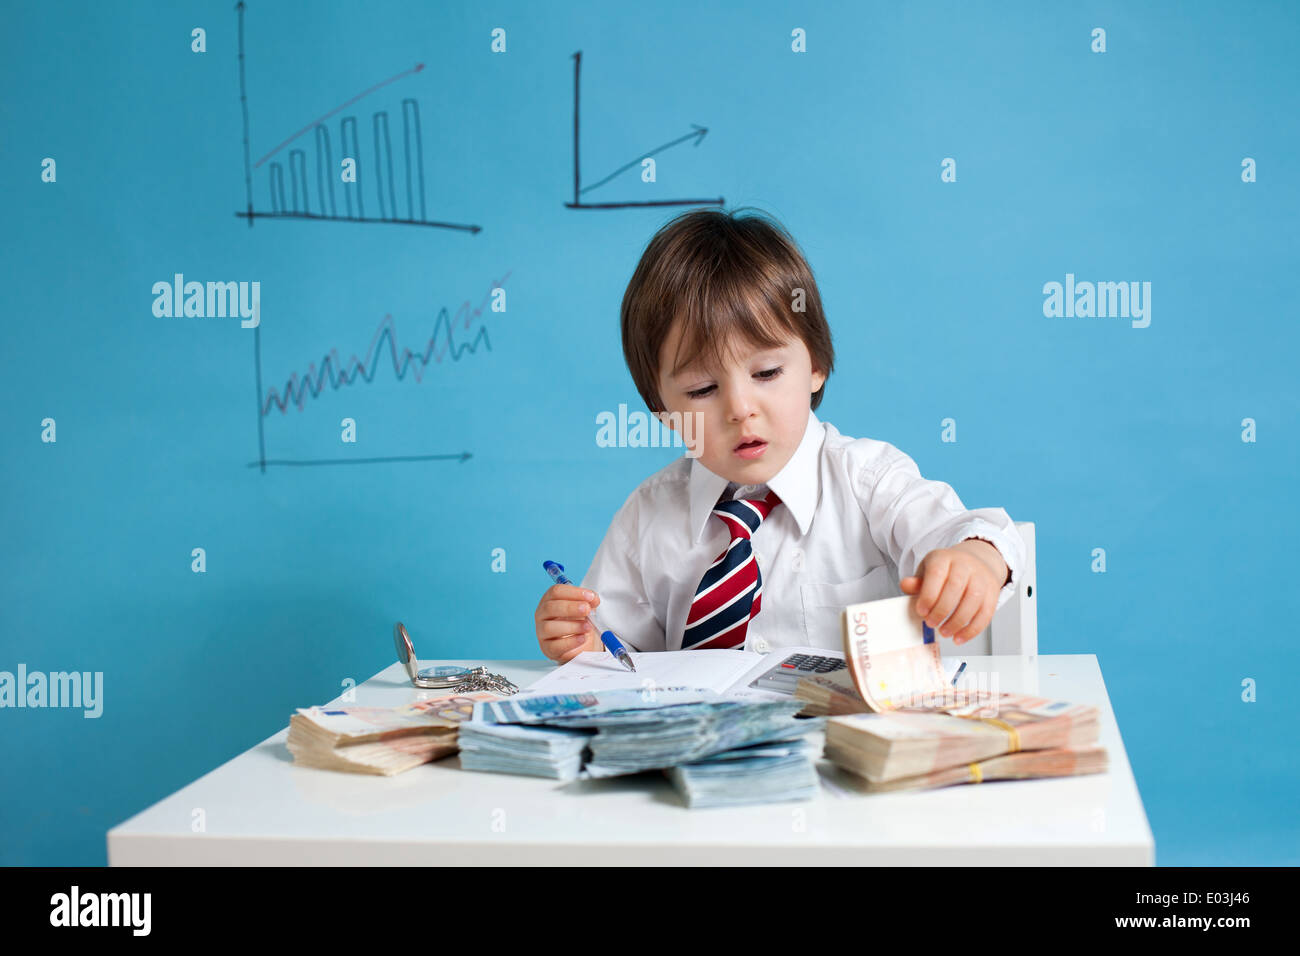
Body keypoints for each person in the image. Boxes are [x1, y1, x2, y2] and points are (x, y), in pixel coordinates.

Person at [535, 207, 1024, 664]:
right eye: (703, 388)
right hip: (706, 750)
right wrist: (586, 642)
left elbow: (967, 531)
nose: (741, 409)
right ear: (664, 412)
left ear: (816, 366)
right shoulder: (647, 516)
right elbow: (619, 653)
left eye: (766, 373)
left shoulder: (868, 480)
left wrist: (975, 557)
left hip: (846, 744)